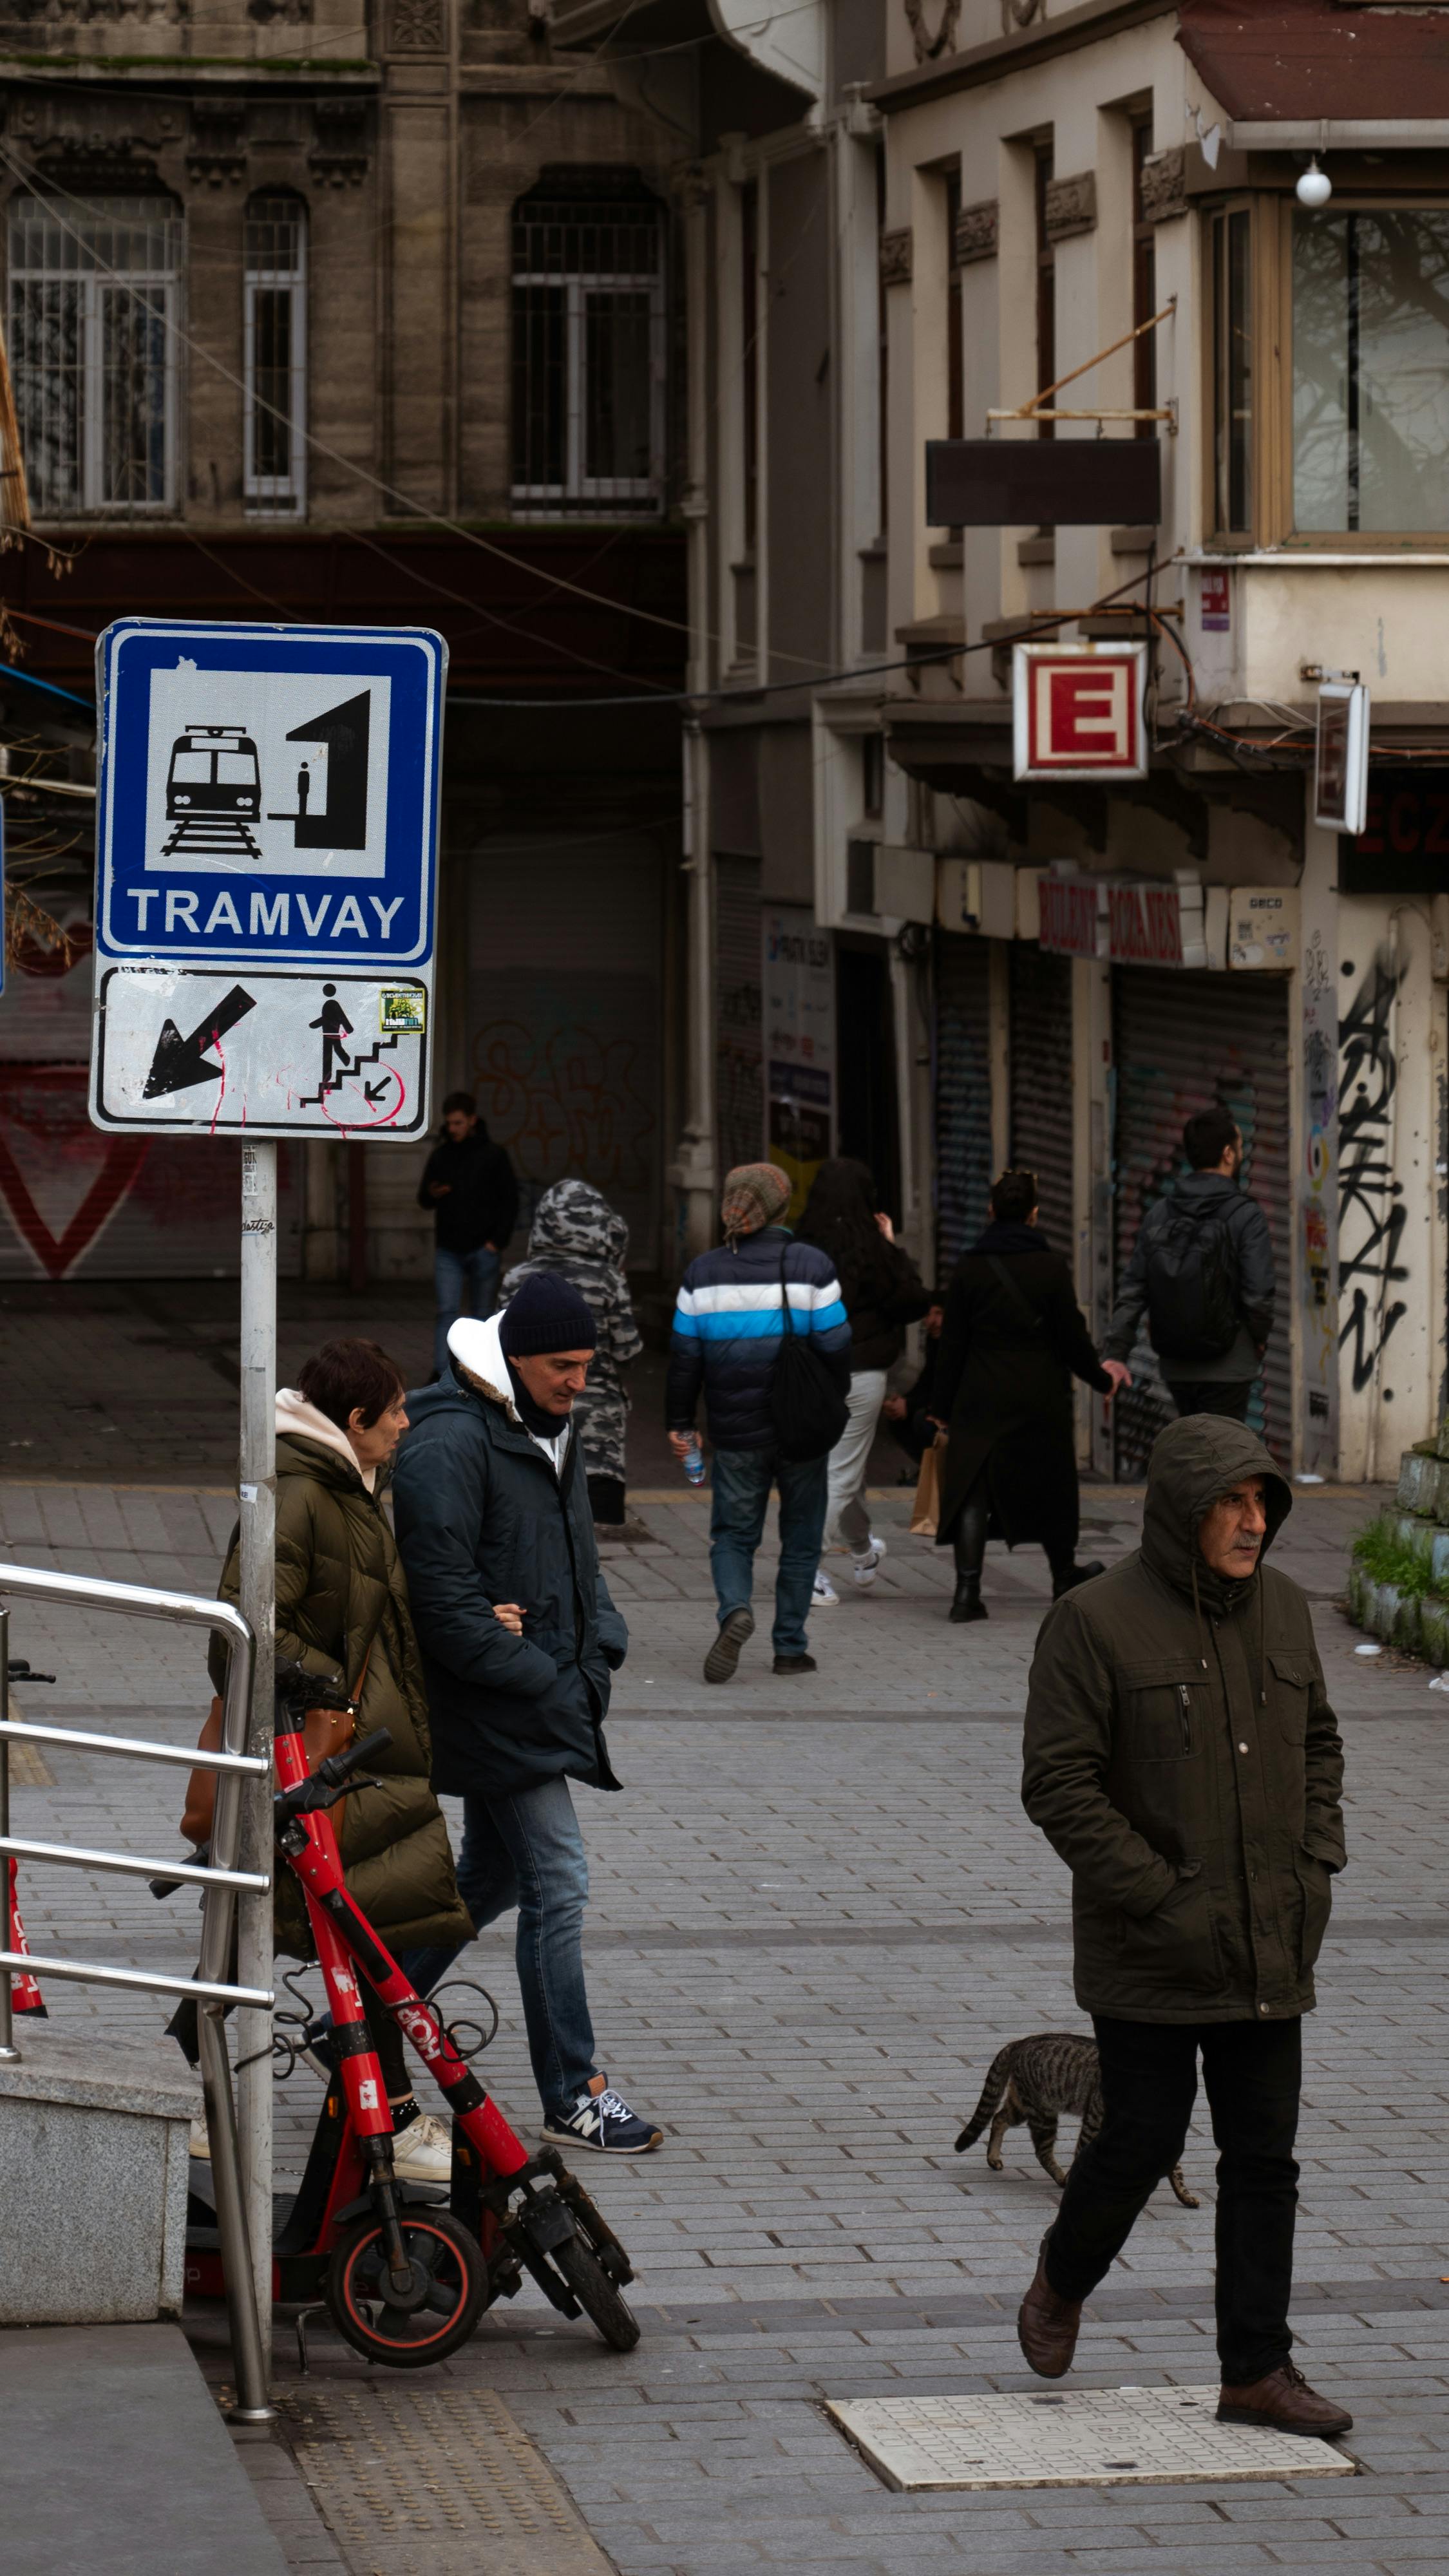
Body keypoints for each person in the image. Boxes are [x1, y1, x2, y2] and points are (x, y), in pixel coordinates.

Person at [1016, 1416, 1351, 2440]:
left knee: (1263, 2158)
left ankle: (1256, 2368)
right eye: (1232, 1505)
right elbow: (1058, 1785)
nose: (1253, 1525)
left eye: (1262, 1505)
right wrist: (1157, 1896)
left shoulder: (1285, 1611)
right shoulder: (1092, 1620)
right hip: (1150, 1946)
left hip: (1268, 1939)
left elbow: (1322, 1746)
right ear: (1180, 1512)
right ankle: (1062, 2278)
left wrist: (1315, 1862)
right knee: (1138, 2141)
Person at [392, 1272, 661, 2154]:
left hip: (538, 1690)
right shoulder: (448, 1444)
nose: (577, 1381)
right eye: (561, 1365)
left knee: (495, 1877)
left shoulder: (545, 1428)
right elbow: (443, 1602)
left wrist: (601, 1643)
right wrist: (545, 1679)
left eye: (585, 1365)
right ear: (512, 1356)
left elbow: (578, 1558)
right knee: (559, 1880)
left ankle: (352, 2021)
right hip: (495, 1706)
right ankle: (572, 2090)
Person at [207, 1338, 473, 2183]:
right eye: (393, 1412)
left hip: (342, 1756)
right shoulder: (299, 1496)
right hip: (311, 1756)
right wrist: (330, 1694)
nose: (404, 1424)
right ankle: (388, 2121)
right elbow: (239, 1630)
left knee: (293, 1928)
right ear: (354, 1421)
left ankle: (216, 2097)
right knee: (350, 1929)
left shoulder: (347, 1486)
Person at [666, 1161, 851, 1683]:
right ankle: (790, 1647)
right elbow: (837, 1347)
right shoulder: (812, 1266)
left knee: (732, 1535)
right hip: (802, 1431)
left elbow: (684, 1360)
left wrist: (681, 1422)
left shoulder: (702, 1274)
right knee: (801, 1537)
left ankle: (734, 1612)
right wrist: (829, 1400)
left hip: (736, 1432)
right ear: (779, 1207)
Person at [931, 1168, 1130, 1624]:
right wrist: (1103, 1381)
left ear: (991, 1211)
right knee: (1054, 1485)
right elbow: (1072, 1341)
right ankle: (1063, 1574)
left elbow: (952, 1345)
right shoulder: (1050, 1267)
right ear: (1035, 1215)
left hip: (979, 1394)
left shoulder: (969, 1267)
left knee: (971, 1490)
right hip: (1039, 1395)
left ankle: (966, 1592)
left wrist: (939, 1410)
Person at [797, 1157, 929, 1605]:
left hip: (811, 1371)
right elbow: (914, 1301)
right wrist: (891, 1246)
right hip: (860, 1372)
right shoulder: (873, 1249)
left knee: (840, 1471)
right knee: (841, 1471)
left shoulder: (799, 1249)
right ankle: (804, 1569)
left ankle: (861, 1550)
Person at [1103, 1106, 1275, 1425]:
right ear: (1227, 1154)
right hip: (1230, 1364)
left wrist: (1116, 1352)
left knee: (1193, 1448)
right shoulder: (1245, 1215)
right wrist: (1259, 1337)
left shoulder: (1160, 1213)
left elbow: (1134, 1289)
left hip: (1176, 1365)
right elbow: (1258, 1294)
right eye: (1239, 1147)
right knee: (1224, 1458)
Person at [498, 1179, 643, 1530]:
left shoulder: (517, 1278)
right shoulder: (609, 1279)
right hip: (601, 1435)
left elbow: (503, 1350)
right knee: (602, 1530)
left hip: (531, 1427)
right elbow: (628, 1352)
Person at [417, 1090, 520, 1379]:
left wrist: (496, 1243)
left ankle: (477, 1374)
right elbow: (423, 1198)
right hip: (448, 1249)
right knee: (447, 1312)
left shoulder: (493, 1155)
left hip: (483, 1249)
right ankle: (440, 1373)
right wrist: (433, 1193)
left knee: (482, 1316)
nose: (453, 1129)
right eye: (450, 1123)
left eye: (459, 1123)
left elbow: (509, 1201)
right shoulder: (442, 1155)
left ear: (472, 1121)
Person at [884, 1294, 947, 1472]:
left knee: (922, 1421)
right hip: (936, 1403)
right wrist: (902, 1401)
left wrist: (910, 1405)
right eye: (928, 1315)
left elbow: (947, 1388)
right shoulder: (934, 1340)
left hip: (954, 1410)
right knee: (897, 1419)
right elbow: (927, 1379)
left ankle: (938, 1473)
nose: (932, 1322)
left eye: (939, 1314)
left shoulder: (956, 1344)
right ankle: (928, 1471)